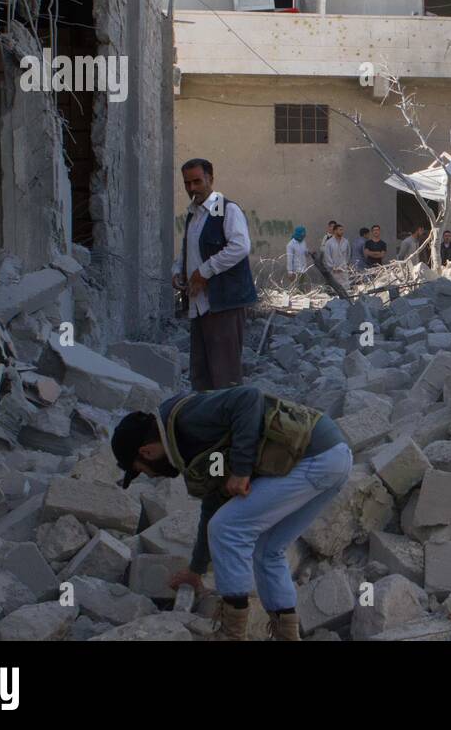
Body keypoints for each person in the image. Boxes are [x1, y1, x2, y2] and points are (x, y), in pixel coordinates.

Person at [111, 385, 352, 641]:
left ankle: (232, 633)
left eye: (141, 469)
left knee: (228, 528)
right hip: (333, 459)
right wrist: (197, 569)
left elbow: (247, 398)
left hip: (314, 457)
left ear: (146, 452)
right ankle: (287, 635)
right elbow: (213, 503)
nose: (149, 475)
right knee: (267, 549)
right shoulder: (185, 445)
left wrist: (241, 469)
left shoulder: (187, 418)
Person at [171, 159, 256, 391]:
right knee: (201, 372)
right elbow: (188, 248)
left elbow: (240, 247)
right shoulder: (194, 213)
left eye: (197, 181)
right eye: (187, 183)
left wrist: (203, 272)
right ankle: (204, 419)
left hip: (223, 303)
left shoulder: (227, 209)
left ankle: (227, 421)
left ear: (211, 179)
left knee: (224, 374)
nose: (192, 188)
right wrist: (178, 271)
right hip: (199, 304)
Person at [322, 222, 352, 290]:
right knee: (335, 289)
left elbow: (348, 253)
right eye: (340, 230)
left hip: (343, 269)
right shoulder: (329, 243)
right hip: (333, 270)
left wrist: (346, 264)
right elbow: (327, 256)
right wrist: (333, 267)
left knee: (345, 288)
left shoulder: (346, 242)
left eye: (342, 230)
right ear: (335, 231)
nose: (342, 232)